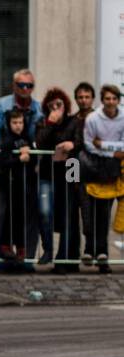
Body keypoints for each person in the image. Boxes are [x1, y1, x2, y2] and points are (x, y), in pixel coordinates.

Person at [0, 69, 44, 261]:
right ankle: (3, 255)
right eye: (22, 85)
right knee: (5, 212)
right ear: (14, 86)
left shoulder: (38, 108)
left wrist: (33, 149)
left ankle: (25, 255)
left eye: (30, 85)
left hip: (29, 171)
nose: (26, 89)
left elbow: (41, 134)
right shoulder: (2, 105)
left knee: (29, 214)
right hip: (8, 169)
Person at [35, 87, 81, 272]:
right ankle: (48, 249)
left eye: (59, 104)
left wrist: (72, 144)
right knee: (45, 211)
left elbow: (79, 141)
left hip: (71, 168)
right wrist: (51, 124)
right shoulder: (43, 122)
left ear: (65, 104)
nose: (55, 107)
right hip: (48, 171)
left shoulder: (74, 121)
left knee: (69, 213)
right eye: (51, 104)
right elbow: (39, 142)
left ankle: (66, 258)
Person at [82, 84, 124, 273]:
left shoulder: (122, 118)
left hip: (115, 171)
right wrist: (113, 151)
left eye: (114, 98)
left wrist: (105, 146)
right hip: (88, 168)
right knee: (88, 214)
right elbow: (88, 144)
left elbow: (122, 147)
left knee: (105, 214)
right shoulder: (91, 119)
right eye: (107, 98)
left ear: (118, 100)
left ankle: (102, 254)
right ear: (102, 100)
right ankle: (89, 250)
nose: (110, 102)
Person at [0, 109, 38, 271]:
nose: (18, 126)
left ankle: (21, 248)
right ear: (9, 124)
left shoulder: (28, 138)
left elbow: (34, 157)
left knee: (21, 217)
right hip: (9, 183)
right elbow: (3, 162)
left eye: (20, 122)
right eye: (14, 123)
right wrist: (20, 158)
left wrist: (29, 155)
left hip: (25, 184)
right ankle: (5, 246)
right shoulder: (6, 140)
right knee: (7, 216)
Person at [73, 82, 97, 266]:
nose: (84, 100)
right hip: (75, 171)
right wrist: (70, 178)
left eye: (87, 97)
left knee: (97, 214)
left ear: (92, 98)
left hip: (97, 172)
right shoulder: (73, 120)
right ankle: (74, 254)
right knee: (78, 213)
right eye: (80, 97)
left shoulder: (100, 118)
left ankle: (94, 250)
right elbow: (70, 150)